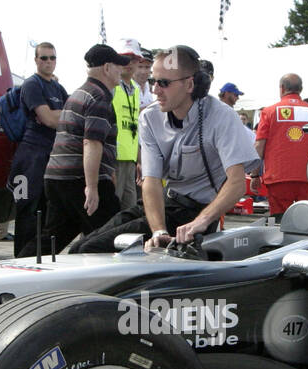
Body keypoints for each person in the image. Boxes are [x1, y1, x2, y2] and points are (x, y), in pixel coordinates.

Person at [71, 46, 258, 253]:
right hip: (165, 204)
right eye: (153, 81)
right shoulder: (150, 118)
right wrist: (158, 231)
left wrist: (201, 221)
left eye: (164, 83)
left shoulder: (221, 116)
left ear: (190, 84)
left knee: (90, 249)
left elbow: (237, 182)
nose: (155, 90)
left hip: (195, 214)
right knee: (80, 246)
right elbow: (151, 181)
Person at [40, 44, 128, 252]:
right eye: (118, 66)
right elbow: (92, 142)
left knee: (52, 238)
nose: (121, 71)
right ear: (107, 68)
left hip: (57, 177)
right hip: (80, 180)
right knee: (113, 237)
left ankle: (21, 271)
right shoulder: (99, 98)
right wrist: (92, 186)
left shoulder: (79, 93)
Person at [9, 42, 67, 256]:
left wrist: (57, 115)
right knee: (27, 211)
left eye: (52, 58)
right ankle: (21, 261)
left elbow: (68, 117)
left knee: (47, 213)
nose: (49, 62)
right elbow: (50, 119)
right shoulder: (32, 85)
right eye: (44, 58)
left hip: (50, 156)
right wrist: (62, 114)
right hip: (29, 159)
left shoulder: (58, 88)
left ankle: (37, 260)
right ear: (36, 60)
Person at [254, 74, 308, 216]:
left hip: (278, 177)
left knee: (280, 223)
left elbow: (259, 145)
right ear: (301, 89)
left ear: (282, 89)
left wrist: (254, 174)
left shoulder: (269, 112)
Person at [113, 39, 145, 209]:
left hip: (129, 159)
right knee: (108, 210)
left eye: (133, 59)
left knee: (128, 210)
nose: (129, 63)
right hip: (113, 158)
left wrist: (139, 160)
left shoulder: (135, 88)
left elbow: (134, 127)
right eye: (124, 57)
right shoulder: (110, 85)